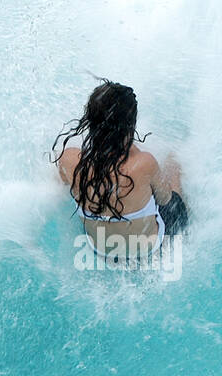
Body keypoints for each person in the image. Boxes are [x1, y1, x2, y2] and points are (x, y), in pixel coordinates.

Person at [53, 81, 188, 265]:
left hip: (101, 250)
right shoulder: (144, 163)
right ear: (129, 126)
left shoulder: (69, 160)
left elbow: (58, 184)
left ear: (90, 121)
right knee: (173, 176)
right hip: (146, 250)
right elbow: (165, 200)